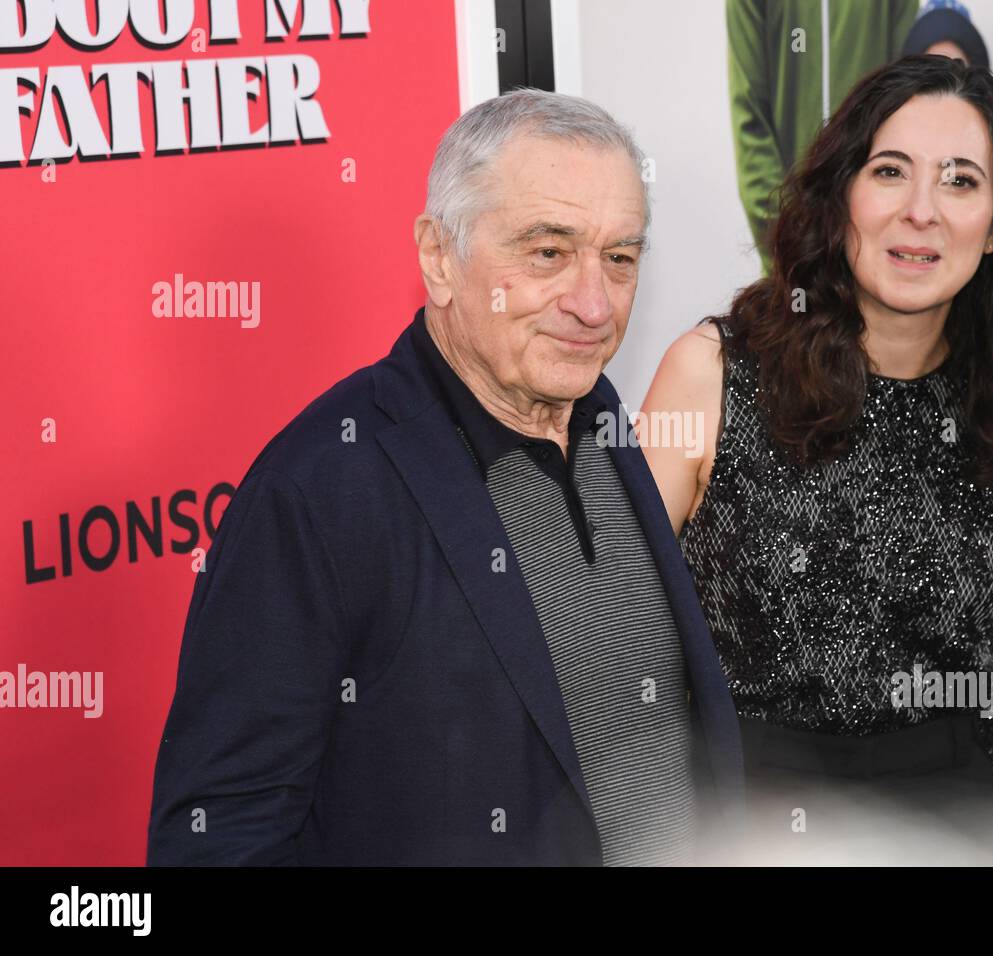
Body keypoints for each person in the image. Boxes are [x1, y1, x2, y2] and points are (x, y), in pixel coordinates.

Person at [146, 89, 745, 867]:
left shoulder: (602, 418)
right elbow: (219, 836)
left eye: (620, 258)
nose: (594, 304)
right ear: (439, 257)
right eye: (548, 252)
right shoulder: (320, 488)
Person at [640, 54, 993, 866]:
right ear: (841, 196)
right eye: (890, 171)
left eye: (960, 181)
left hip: (954, 821)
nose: (921, 211)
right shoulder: (711, 374)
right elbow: (621, 648)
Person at [727, 0, 919, 274]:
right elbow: (750, 118)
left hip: (876, 242)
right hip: (792, 265)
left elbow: (909, 92)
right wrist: (789, 237)